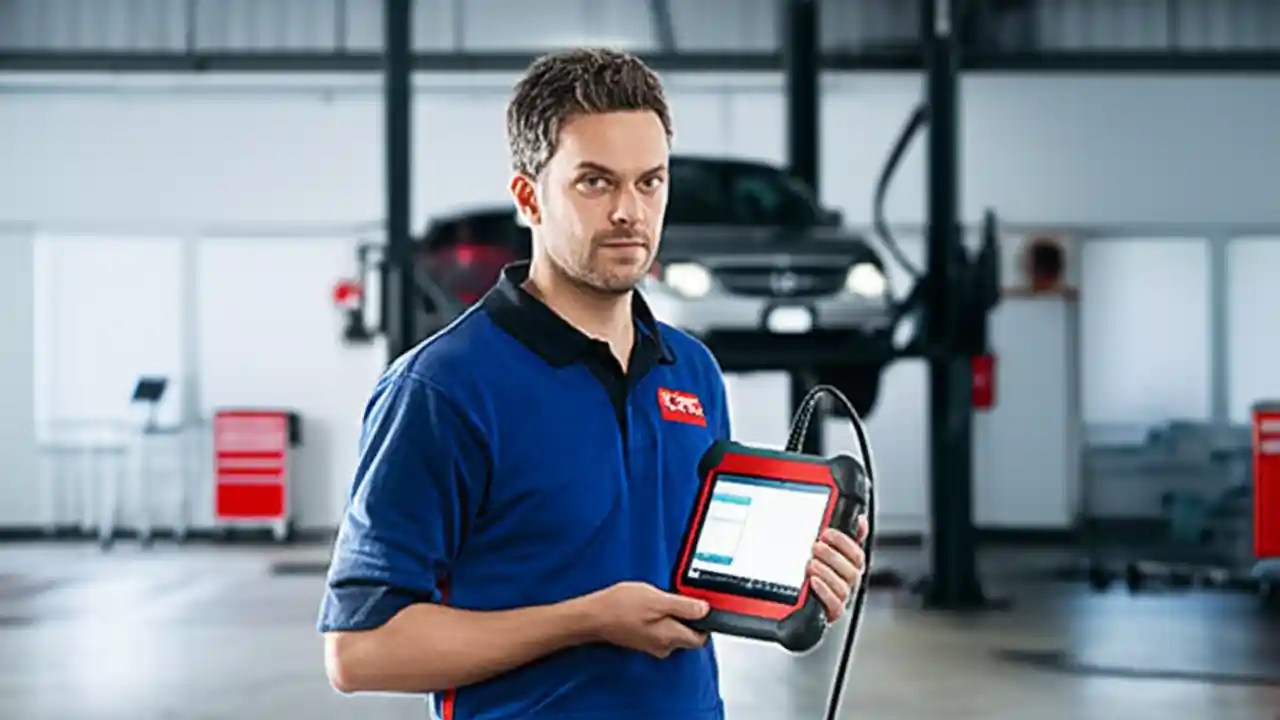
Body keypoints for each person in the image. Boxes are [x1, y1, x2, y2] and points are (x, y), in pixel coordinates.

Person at [318, 47, 868, 720]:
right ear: (528, 197)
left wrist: (798, 580)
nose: (629, 213)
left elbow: (690, 581)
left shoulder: (691, 370)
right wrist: (584, 621)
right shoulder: (442, 389)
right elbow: (360, 648)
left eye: (650, 182)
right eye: (595, 182)